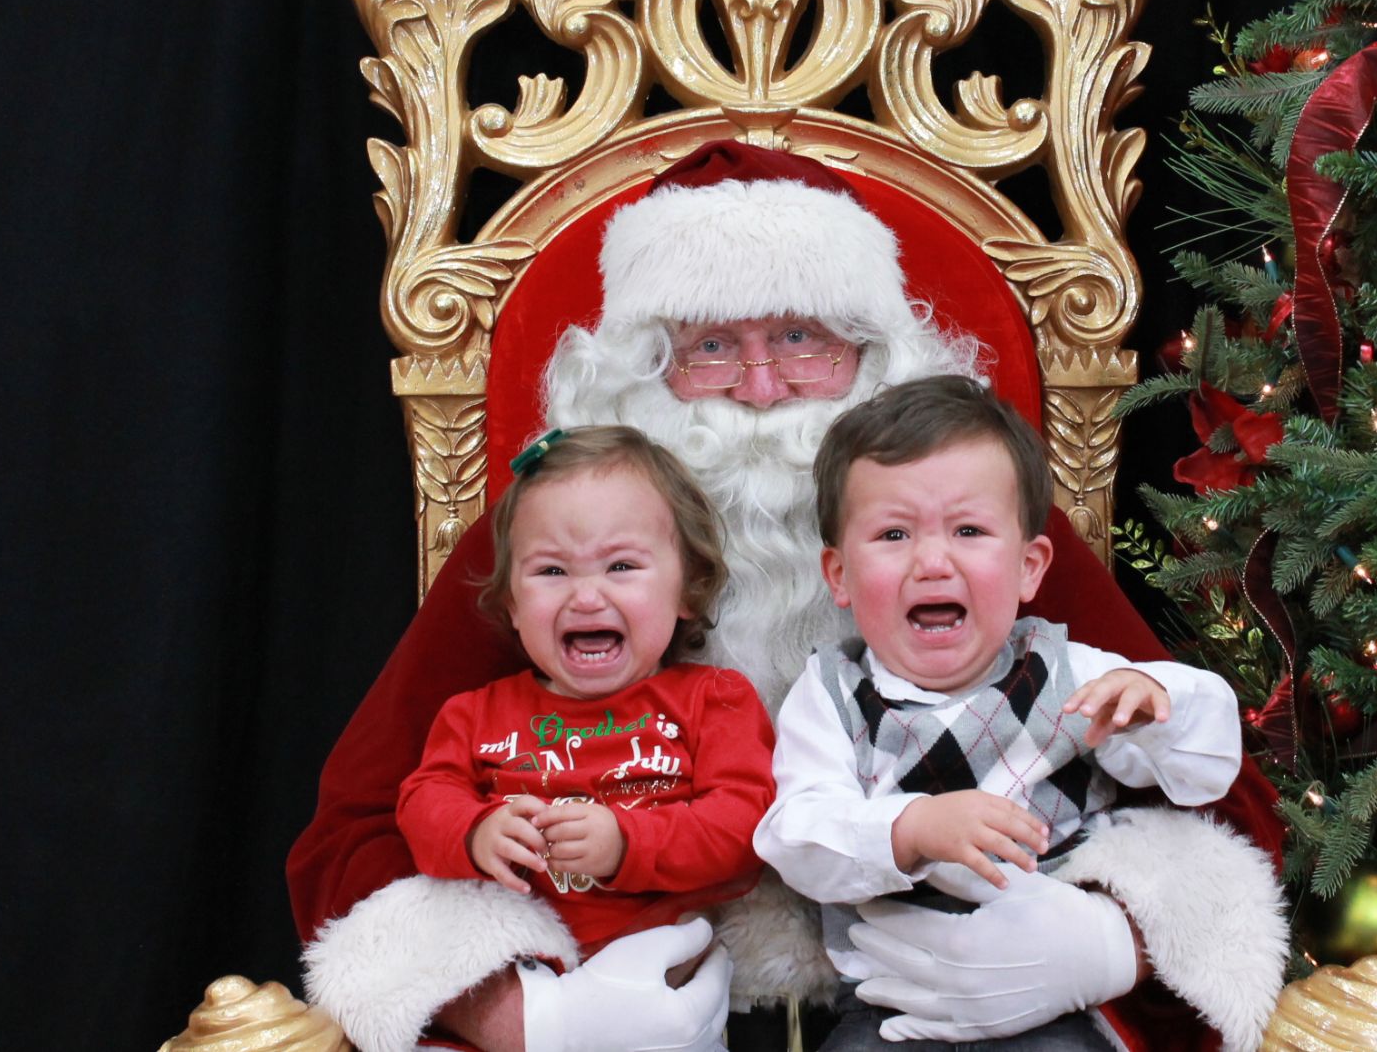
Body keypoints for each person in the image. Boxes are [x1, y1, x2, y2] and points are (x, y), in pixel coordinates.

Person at [291, 142, 1289, 1052]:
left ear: (874, 353)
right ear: (642, 369)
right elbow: (351, 832)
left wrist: (1107, 939)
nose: (761, 390)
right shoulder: (559, 543)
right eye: (711, 348)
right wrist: (518, 1014)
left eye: (804, 339)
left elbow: (1215, 783)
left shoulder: (965, 520)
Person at [755, 376, 1244, 1051]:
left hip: (1052, 1000)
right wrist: (911, 825)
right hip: (892, 1004)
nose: (932, 560)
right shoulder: (832, 693)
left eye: (969, 529)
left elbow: (1207, 772)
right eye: (893, 533)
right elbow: (797, 836)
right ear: (838, 575)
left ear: (1028, 566)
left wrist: (1160, 707)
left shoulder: (1070, 672)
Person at [398, 426, 775, 981]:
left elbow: (746, 827)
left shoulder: (713, 700)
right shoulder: (474, 713)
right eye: (552, 571)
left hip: (653, 974)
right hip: (507, 966)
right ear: (512, 605)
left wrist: (626, 843)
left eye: (621, 567)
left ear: (689, 588)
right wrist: (476, 833)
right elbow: (421, 802)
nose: (587, 595)